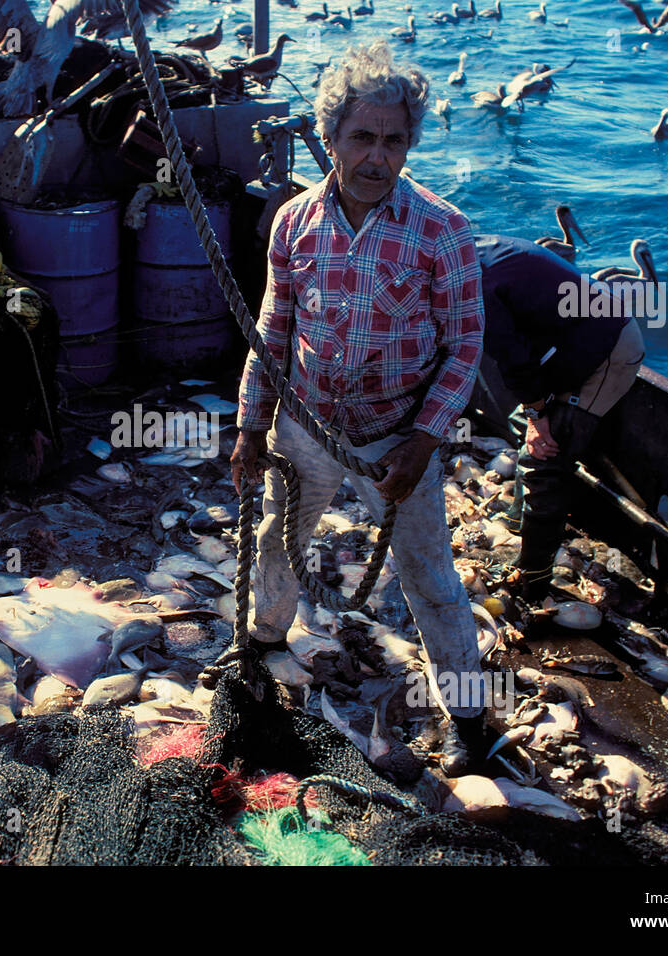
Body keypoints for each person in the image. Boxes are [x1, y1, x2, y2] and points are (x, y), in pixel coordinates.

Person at [231, 41, 489, 776]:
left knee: (430, 578)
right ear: (332, 137)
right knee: (277, 541)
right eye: (362, 138)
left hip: (396, 435)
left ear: (409, 144)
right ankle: (263, 644)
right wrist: (251, 425)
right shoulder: (294, 222)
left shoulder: (442, 229)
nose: (378, 158)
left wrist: (423, 441)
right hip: (307, 424)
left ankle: (470, 714)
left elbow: (465, 348)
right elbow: (273, 329)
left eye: (394, 141)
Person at [474, 234, 645, 598]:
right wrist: (533, 413)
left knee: (547, 453)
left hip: (608, 346)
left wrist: (539, 417)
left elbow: (512, 358)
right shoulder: (471, 249)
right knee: (525, 422)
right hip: (568, 344)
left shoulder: (474, 285)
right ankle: (518, 520)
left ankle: (533, 576)